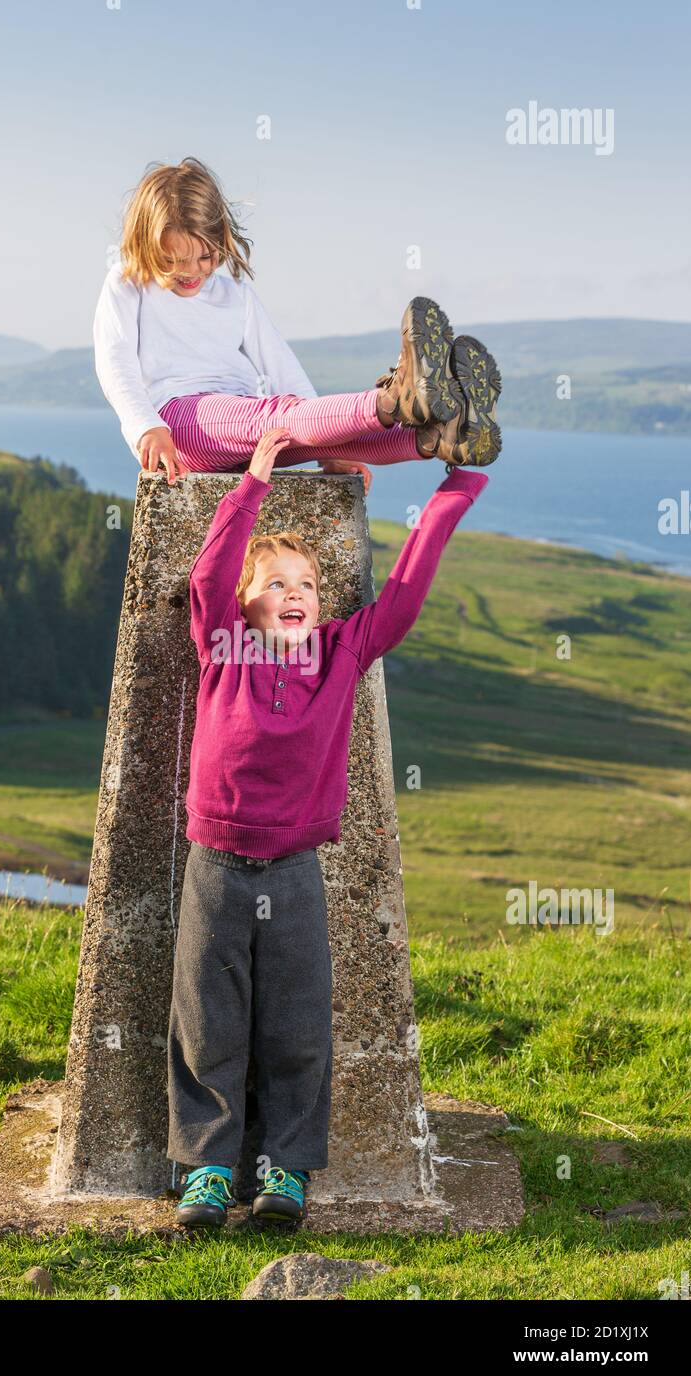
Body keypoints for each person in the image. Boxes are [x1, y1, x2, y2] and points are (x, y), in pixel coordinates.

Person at [167, 427, 490, 1231]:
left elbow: (407, 593)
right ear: (247, 603)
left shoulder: (345, 651)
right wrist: (254, 486)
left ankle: (286, 1166)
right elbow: (210, 574)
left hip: (293, 869)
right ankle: (207, 1168)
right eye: (276, 582)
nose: (295, 591)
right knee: (207, 1015)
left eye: (306, 581)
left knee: (298, 1021)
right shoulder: (223, 647)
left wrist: (448, 495)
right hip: (215, 861)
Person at [93, 156, 502, 494]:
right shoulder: (129, 283)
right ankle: (392, 399)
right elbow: (116, 364)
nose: (192, 272)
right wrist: (148, 428)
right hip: (180, 425)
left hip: (247, 428)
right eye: (174, 261)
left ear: (222, 240)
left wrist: (328, 441)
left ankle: (437, 436)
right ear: (145, 243)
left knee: (293, 426)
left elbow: (280, 366)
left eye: (205, 257)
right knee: (273, 417)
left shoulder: (234, 293)